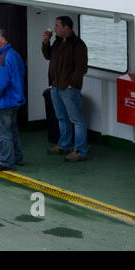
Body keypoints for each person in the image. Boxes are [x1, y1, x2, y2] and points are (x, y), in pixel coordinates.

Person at [41, 16, 89, 162]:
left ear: (66, 28)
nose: (55, 28)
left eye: (57, 26)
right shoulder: (57, 41)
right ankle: (65, 145)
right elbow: (48, 55)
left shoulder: (78, 45)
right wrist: (45, 42)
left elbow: (81, 67)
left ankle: (80, 151)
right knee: (62, 117)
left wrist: (71, 84)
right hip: (56, 86)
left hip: (68, 89)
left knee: (77, 119)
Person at [0, 28, 26, 172]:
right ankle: (17, 157)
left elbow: (0, 83)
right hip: (14, 100)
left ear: (2, 40)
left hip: (4, 102)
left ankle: (6, 161)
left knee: (2, 133)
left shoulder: (3, 57)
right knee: (12, 131)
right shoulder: (14, 54)